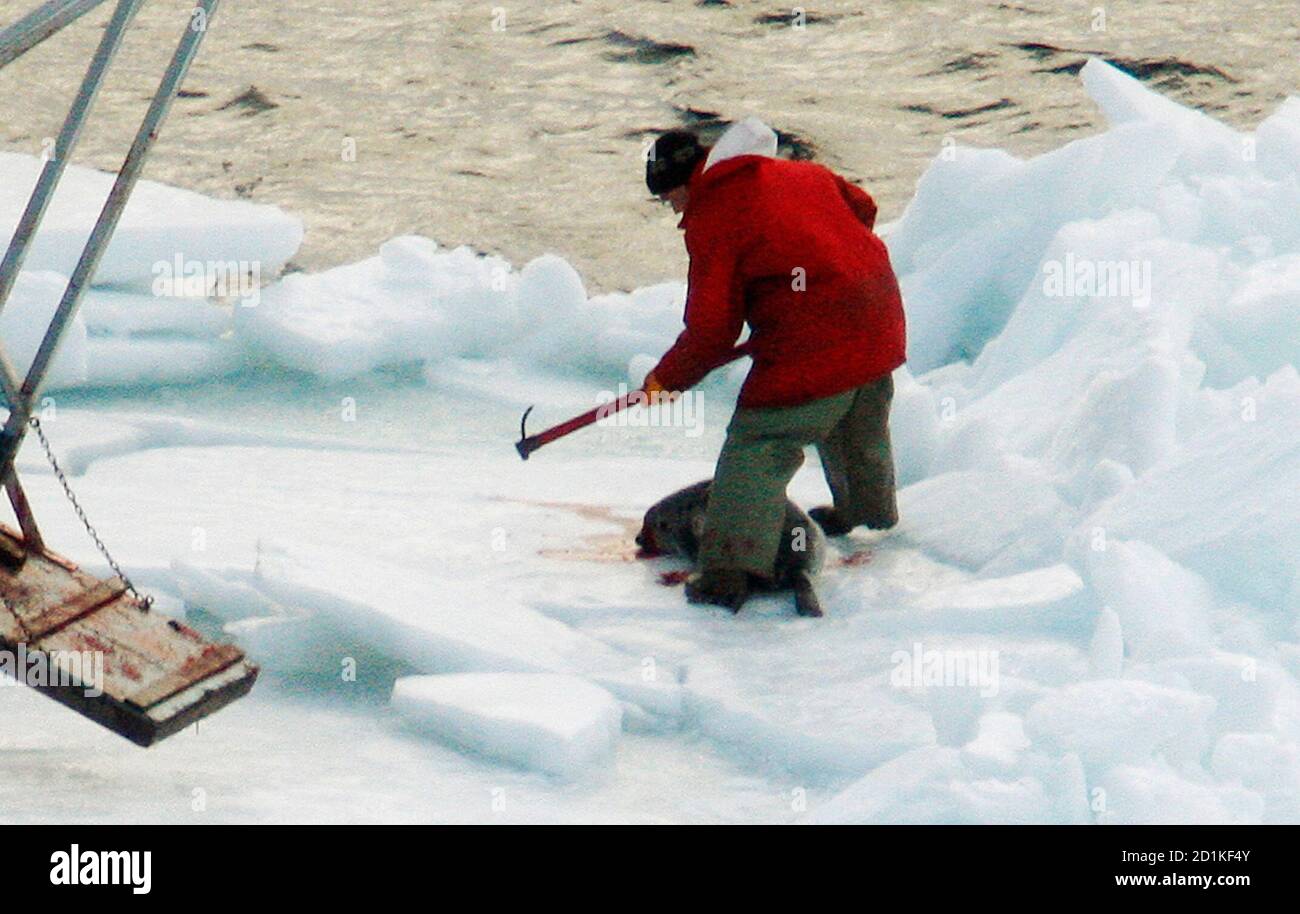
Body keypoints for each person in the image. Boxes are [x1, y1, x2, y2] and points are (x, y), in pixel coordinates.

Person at [641, 118, 907, 611]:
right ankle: (870, 515)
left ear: (684, 183)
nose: (673, 208)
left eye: (670, 197)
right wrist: (827, 266)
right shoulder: (801, 174)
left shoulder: (714, 216)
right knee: (856, 417)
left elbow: (711, 330)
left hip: (814, 336)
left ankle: (730, 572)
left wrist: (666, 379)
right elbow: (863, 206)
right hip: (878, 315)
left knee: (760, 444)